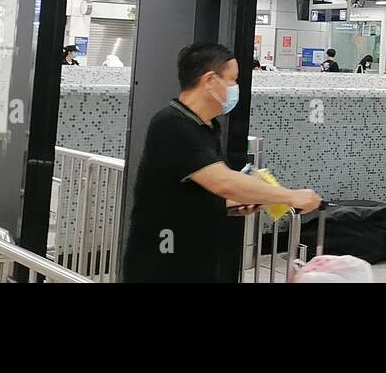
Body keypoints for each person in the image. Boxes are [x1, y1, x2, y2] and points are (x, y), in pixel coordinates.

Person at [122, 43, 321, 282]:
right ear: (209, 80)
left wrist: (230, 204)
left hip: (193, 255)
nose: (236, 88)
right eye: (232, 80)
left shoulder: (205, 127)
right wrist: (290, 196)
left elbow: (194, 189)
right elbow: (223, 181)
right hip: (164, 259)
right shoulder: (172, 124)